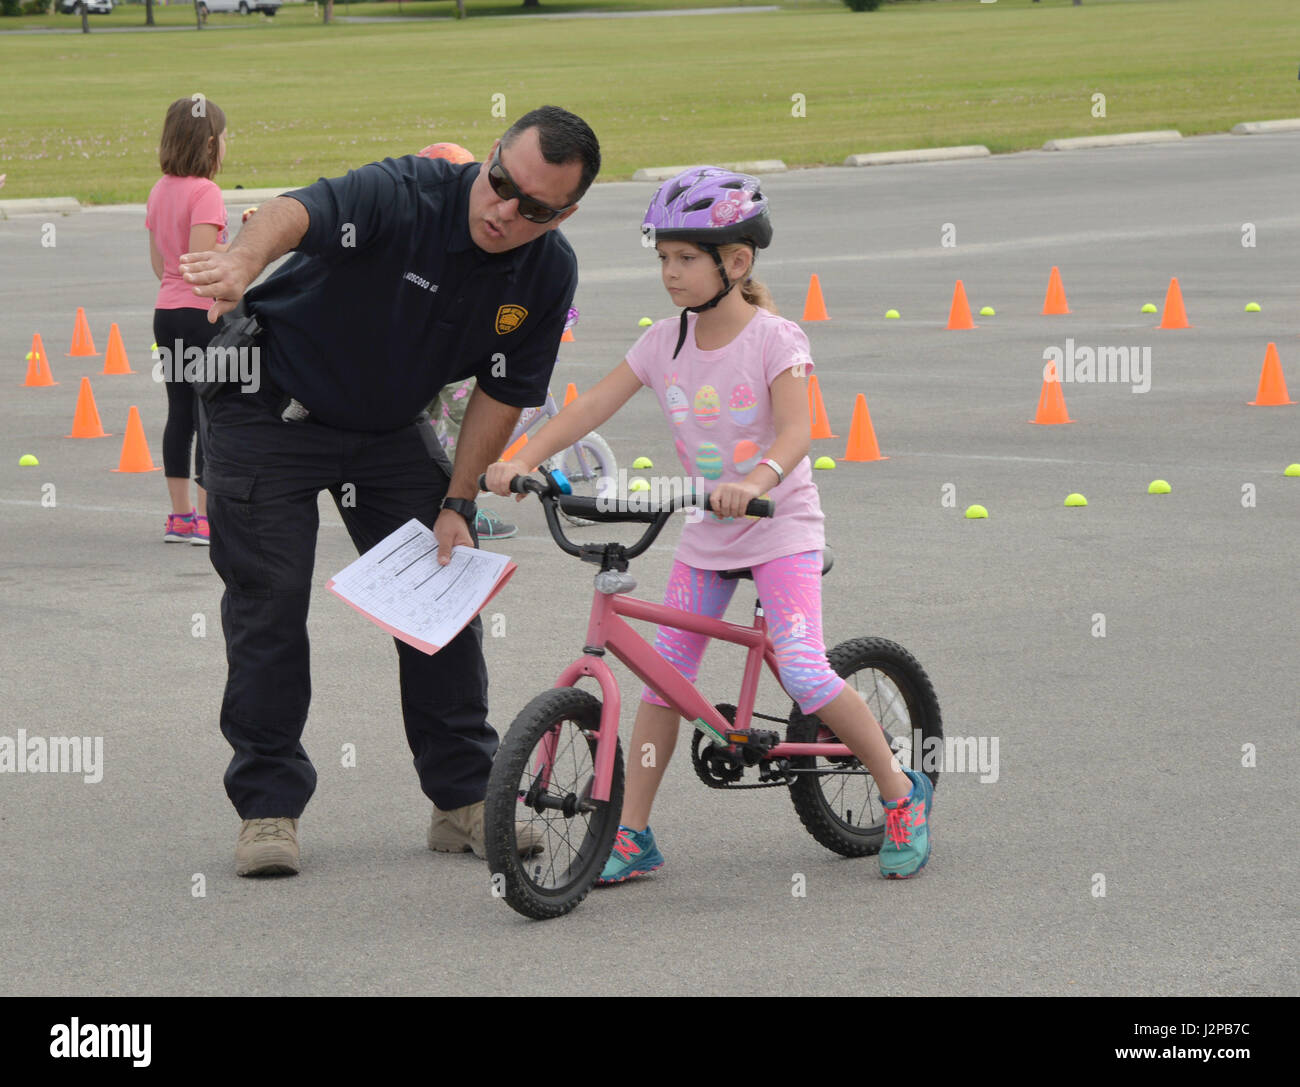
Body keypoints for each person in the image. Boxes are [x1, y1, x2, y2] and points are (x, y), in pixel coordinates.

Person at [178, 105, 600, 877]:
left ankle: (463, 796)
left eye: (535, 207)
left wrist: (459, 501)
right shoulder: (406, 193)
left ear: (564, 213)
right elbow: (296, 211)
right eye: (501, 183)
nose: (506, 210)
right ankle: (268, 804)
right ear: (492, 154)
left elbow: (501, 392)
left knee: (439, 595)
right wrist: (242, 262)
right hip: (267, 407)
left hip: (384, 428)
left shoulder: (546, 270)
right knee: (268, 600)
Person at [486, 166, 934, 885]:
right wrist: (521, 457)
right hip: (708, 535)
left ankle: (900, 791)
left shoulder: (773, 339)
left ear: (736, 261)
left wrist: (754, 482)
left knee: (805, 669)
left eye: (685, 258)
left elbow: (797, 433)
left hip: (780, 526)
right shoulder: (664, 342)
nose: (669, 272)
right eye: (663, 257)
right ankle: (631, 834)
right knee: (664, 680)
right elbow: (590, 406)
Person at [416, 140, 517, 542]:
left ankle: (443, 501)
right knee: (459, 431)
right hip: (449, 364)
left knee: (434, 428)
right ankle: (457, 506)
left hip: (429, 361)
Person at [146, 96, 231, 545]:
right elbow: (200, 258)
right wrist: (242, 247)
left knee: (180, 411)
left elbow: (163, 265)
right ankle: (207, 516)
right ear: (212, 143)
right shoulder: (206, 192)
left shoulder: (161, 189)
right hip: (203, 315)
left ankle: (181, 518)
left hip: (168, 312)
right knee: (211, 413)